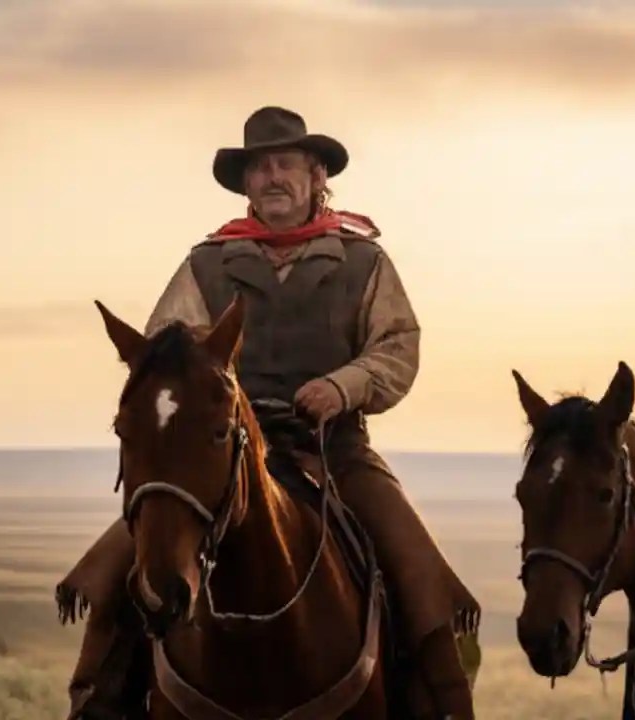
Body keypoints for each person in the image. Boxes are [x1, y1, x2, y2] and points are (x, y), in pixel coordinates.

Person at [58, 105, 480, 719]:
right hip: (222, 446)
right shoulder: (207, 264)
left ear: (315, 177)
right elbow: (165, 354)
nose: (272, 176)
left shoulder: (364, 263)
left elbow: (397, 346)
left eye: (285, 164)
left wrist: (344, 386)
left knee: (418, 572)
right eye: (259, 168)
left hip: (333, 449)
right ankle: (98, 700)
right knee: (132, 561)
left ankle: (443, 705)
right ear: (246, 183)